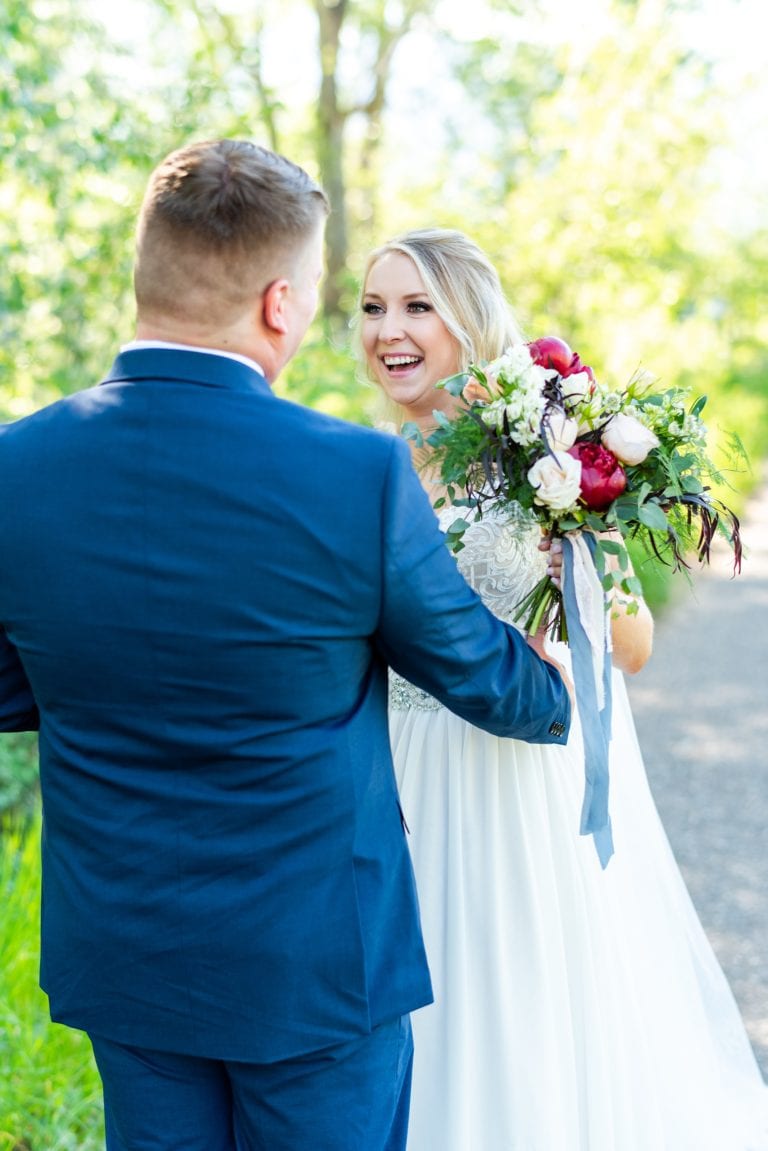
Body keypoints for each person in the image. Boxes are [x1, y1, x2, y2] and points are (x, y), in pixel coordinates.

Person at [0, 146, 573, 1151]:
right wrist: (564, 686)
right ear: (278, 303)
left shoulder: (18, 466)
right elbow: (479, 673)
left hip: (125, 953)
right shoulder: (352, 473)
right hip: (316, 964)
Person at [359, 226, 768, 1150]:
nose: (390, 328)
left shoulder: (542, 452)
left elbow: (631, 647)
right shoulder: (367, 467)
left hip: (511, 780)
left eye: (417, 304)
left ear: (468, 318)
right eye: (374, 306)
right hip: (399, 774)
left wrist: (577, 548)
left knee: (510, 997)